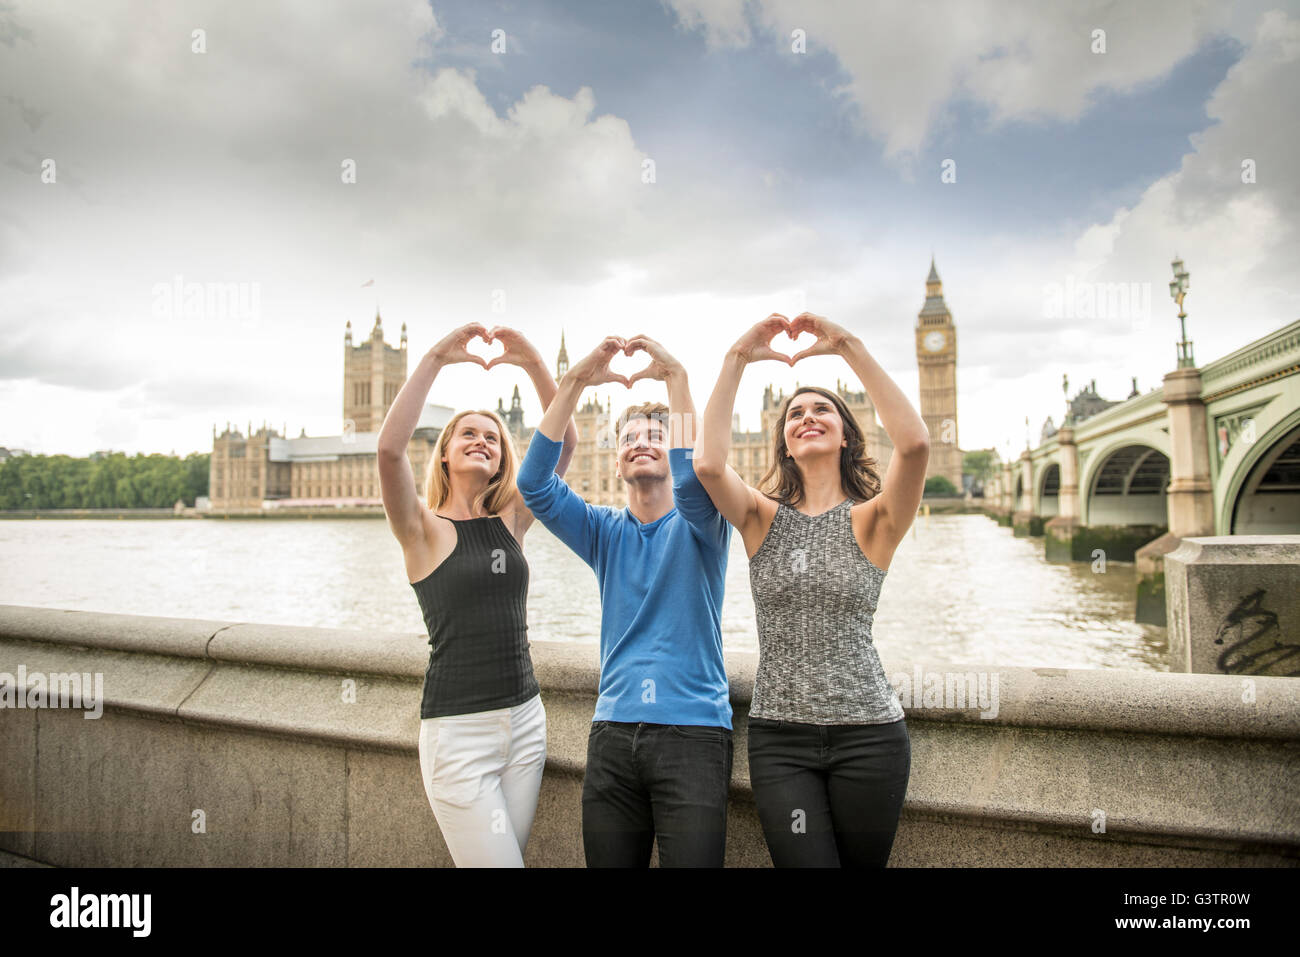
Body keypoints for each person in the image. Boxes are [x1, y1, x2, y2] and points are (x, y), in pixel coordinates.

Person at [692, 311, 930, 867]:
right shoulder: (759, 518)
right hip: (782, 740)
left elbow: (915, 444)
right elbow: (707, 463)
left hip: (870, 735)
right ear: (785, 444)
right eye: (794, 413)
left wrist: (847, 345)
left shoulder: (876, 521)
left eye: (823, 408)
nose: (807, 416)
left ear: (847, 433)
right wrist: (737, 358)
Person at [516, 334, 734, 867]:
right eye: (629, 437)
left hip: (694, 734)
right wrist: (574, 383)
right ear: (615, 463)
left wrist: (676, 376)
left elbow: (695, 473)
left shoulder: (704, 522)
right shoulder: (601, 532)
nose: (640, 441)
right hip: (612, 734)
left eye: (655, 436)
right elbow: (535, 484)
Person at [377, 322, 576, 867]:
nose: (481, 440)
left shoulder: (512, 519)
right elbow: (390, 450)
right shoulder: (420, 529)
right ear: (444, 454)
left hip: (526, 723)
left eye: (492, 436)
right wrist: (438, 355)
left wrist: (532, 361)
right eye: (468, 433)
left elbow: (564, 445)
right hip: (458, 733)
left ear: (502, 457)